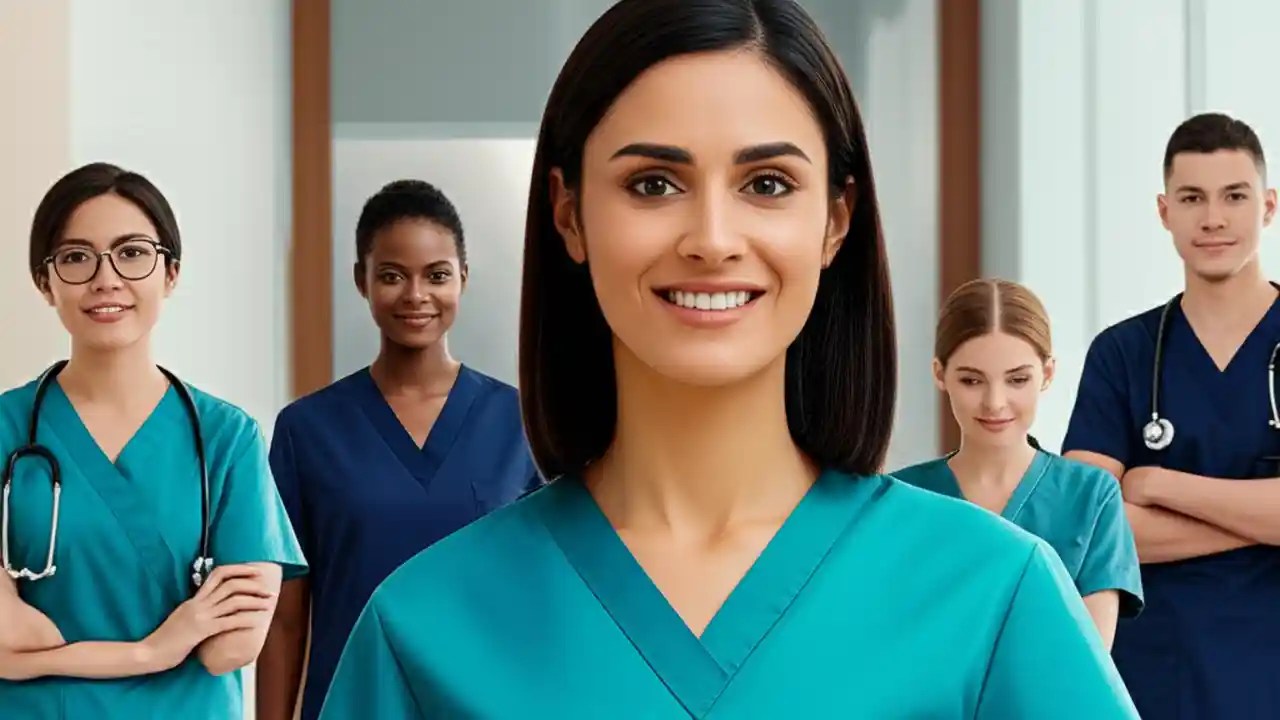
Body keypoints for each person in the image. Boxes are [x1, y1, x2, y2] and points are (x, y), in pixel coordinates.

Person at [316, 1, 1138, 717]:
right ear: (569, 215)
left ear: (836, 221)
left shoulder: (994, 596)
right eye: (652, 184)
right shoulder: (422, 628)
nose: (711, 239)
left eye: (769, 184)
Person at [0, 162, 307, 718]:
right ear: (45, 282)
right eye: (75, 257)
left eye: (133, 252)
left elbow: (229, 649)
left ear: (171, 274)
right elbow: (4, 647)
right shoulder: (5, 431)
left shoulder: (226, 438)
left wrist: (53, 655)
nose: (105, 278)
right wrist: (158, 646)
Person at [256, 179, 542, 720]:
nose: (416, 296)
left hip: (485, 704)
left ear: (463, 278)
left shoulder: (521, 424)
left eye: (437, 275)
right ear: (360, 280)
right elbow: (285, 618)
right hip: (353, 704)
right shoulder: (307, 430)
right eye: (392, 275)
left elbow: (546, 595)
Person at [1062, 112, 1280, 718]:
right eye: (1192, 198)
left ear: (1267, 206)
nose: (1213, 218)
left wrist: (1161, 484)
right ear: (1165, 211)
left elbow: (1127, 517)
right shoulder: (1122, 354)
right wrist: (1262, 518)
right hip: (1157, 680)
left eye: (1233, 196)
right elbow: (1092, 533)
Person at [891, 278, 1143, 649]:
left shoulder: (1091, 497)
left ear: (1048, 374)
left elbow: (1087, 662)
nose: (995, 402)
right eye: (972, 380)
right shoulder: (900, 500)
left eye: (1017, 379)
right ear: (939, 374)